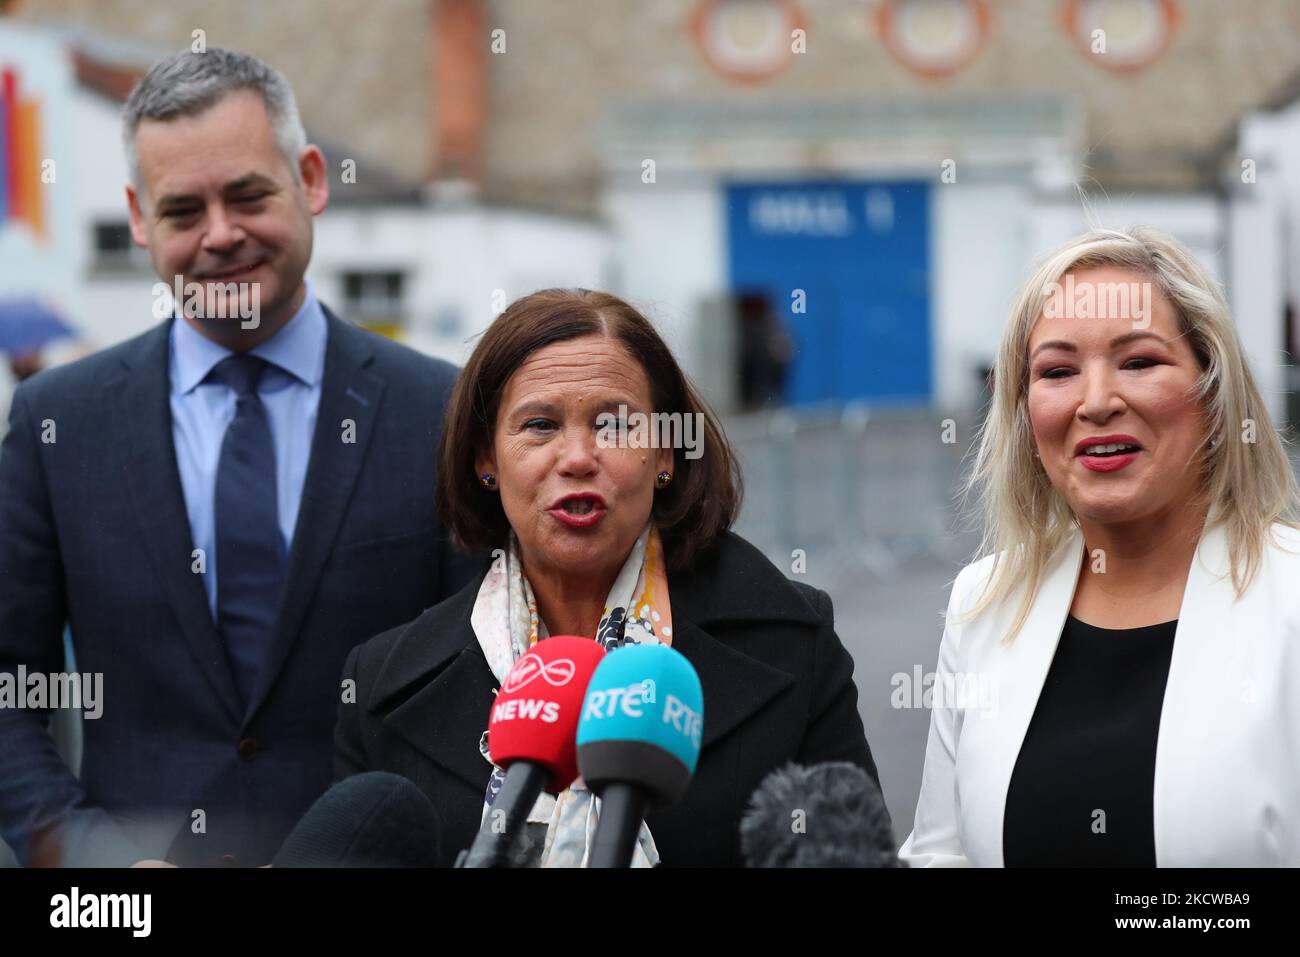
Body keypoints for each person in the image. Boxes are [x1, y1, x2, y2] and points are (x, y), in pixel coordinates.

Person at [0, 48, 481, 868]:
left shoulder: (440, 411)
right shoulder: (59, 423)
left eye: (249, 195)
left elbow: (486, 694)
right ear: (140, 219)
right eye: (183, 210)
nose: (221, 235)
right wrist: (97, 863)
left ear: (312, 180)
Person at [334, 288, 882, 866]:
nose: (576, 457)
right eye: (540, 425)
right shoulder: (381, 688)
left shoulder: (794, 643)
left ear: (666, 453)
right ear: (485, 460)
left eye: (615, 425)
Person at [900, 226, 1300, 867]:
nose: (1095, 402)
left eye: (1139, 361)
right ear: (1025, 414)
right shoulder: (987, 604)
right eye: (1057, 371)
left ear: (1213, 393)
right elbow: (939, 852)